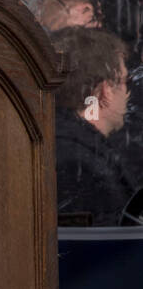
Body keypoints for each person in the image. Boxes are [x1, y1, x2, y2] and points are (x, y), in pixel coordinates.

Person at [51, 26, 136, 226]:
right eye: (125, 82)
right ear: (104, 91)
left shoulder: (52, 142)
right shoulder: (82, 166)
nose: (128, 93)